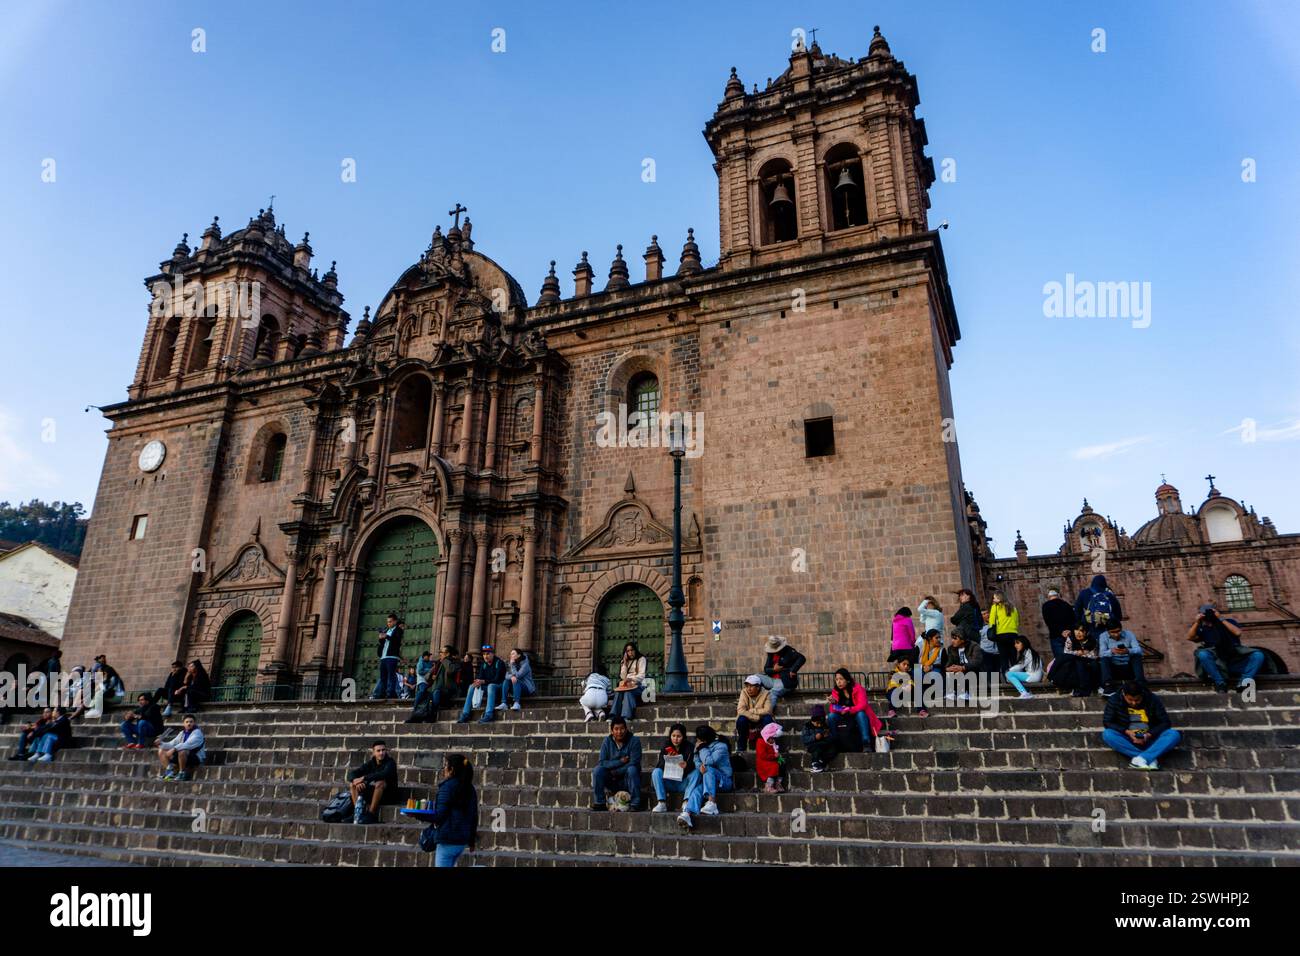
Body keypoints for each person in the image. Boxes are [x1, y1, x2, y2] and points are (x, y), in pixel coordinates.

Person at [1101, 681, 1182, 771]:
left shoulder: (1152, 699)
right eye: (1130, 700)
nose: (1134, 703)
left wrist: (1149, 734)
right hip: (1128, 739)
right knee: (1108, 734)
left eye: (1137, 700)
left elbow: (1165, 722)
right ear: (1124, 694)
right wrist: (1127, 732)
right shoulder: (1114, 700)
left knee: (1173, 734)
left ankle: (1141, 759)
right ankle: (1149, 758)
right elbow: (1107, 722)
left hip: (1151, 739)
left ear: (1142, 694)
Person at [1187, 602, 1264, 693]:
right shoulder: (1201, 627)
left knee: (1258, 655)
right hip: (1217, 663)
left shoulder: (1228, 622)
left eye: (1210, 612)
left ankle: (1244, 682)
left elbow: (1237, 632)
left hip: (1234, 658)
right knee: (1203, 654)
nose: (1208, 615)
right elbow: (1190, 637)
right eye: (1205, 613)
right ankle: (1220, 683)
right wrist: (1197, 622)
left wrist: (1220, 618)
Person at [428, 754, 477, 867]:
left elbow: (439, 816)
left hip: (447, 840)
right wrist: (471, 840)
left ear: (452, 769)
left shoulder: (447, 787)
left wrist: (415, 814)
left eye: (446, 765)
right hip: (461, 841)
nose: (444, 768)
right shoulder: (470, 788)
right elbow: (474, 816)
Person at [679, 725, 733, 829]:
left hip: (724, 781)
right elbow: (696, 760)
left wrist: (702, 748)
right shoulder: (699, 745)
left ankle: (712, 803)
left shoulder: (721, 746)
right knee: (696, 791)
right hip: (708, 781)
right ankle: (687, 814)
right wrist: (700, 768)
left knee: (708, 768)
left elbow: (709, 762)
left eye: (700, 740)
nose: (697, 742)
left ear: (705, 739)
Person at [591, 715, 642, 811]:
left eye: (622, 728)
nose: (619, 732)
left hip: (628, 780)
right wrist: (620, 761)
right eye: (616, 729)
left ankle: (635, 803)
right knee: (598, 770)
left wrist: (615, 772)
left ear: (626, 729)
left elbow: (633, 762)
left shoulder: (634, 741)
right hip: (612, 780)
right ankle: (600, 802)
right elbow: (602, 762)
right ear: (612, 731)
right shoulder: (607, 741)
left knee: (632, 769)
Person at [826, 668, 881, 752]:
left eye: (841, 679)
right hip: (844, 716)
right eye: (836, 679)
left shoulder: (858, 688)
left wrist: (849, 709)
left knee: (861, 714)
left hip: (856, 716)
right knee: (831, 716)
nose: (838, 682)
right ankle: (835, 742)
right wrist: (834, 703)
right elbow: (832, 710)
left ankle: (866, 743)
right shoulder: (835, 691)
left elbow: (863, 705)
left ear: (847, 680)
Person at [348, 740, 398, 824]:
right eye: (378, 751)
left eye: (383, 750)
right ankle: (358, 813)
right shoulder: (371, 763)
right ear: (374, 752)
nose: (381, 753)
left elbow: (383, 774)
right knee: (352, 784)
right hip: (375, 794)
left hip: (389, 796)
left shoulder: (390, 763)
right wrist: (355, 781)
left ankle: (371, 814)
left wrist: (363, 778)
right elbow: (352, 774)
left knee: (380, 782)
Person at [406, 645, 458, 723]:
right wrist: (431, 676)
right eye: (440, 652)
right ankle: (416, 716)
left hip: (446, 690)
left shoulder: (453, 662)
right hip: (434, 688)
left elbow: (451, 670)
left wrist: (444, 660)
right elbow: (427, 677)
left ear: (447, 654)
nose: (440, 653)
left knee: (434, 694)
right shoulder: (437, 663)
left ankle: (431, 716)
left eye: (442, 652)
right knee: (423, 695)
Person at [456, 644, 507, 724]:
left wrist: (483, 681)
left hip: (499, 687)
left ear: (493, 654)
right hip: (487, 687)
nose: (485, 656)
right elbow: (480, 677)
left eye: (488, 654)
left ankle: (489, 714)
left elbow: (497, 680)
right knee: (472, 686)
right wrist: (477, 681)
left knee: (491, 686)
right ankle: (465, 714)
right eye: (483, 654)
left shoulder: (499, 663)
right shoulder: (484, 664)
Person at [650, 723, 695, 812]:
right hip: (669, 782)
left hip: (683, 783)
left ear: (684, 737)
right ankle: (662, 802)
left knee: (696, 773)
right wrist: (668, 760)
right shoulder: (666, 746)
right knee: (656, 772)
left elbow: (694, 765)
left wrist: (687, 765)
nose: (676, 739)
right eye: (673, 736)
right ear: (670, 736)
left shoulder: (689, 747)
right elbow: (659, 765)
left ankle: (686, 802)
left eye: (679, 736)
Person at [1048, 625, 1100, 697]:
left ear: (1087, 632)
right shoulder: (1070, 639)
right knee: (1064, 659)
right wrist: (1078, 653)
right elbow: (1066, 653)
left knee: (1079, 663)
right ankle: (1054, 677)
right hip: (1073, 661)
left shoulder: (1093, 641)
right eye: (1076, 630)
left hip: (1088, 662)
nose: (1078, 633)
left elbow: (1094, 656)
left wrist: (1080, 655)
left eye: (1081, 631)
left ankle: (1082, 689)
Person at [760, 635, 806, 709]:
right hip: (772, 680)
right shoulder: (770, 654)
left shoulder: (789, 651)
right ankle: (744, 701)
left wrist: (793, 670)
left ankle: (767, 713)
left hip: (784, 681)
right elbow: (766, 669)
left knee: (772, 693)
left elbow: (802, 658)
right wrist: (774, 670)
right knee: (753, 678)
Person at [1099, 624, 1146, 691]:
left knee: (1136, 656)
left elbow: (1139, 650)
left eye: (1118, 631)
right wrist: (1111, 651)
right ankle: (1108, 686)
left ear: (1121, 629)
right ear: (1108, 631)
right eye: (1113, 632)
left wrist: (1128, 651)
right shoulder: (1103, 636)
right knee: (1104, 658)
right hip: (1113, 668)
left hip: (1128, 667)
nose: (1116, 634)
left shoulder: (1129, 634)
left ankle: (1141, 685)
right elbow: (1101, 654)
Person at [157, 714, 206, 780]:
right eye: (187, 722)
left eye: (191, 722)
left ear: (194, 723)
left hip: (196, 757)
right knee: (161, 750)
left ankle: (181, 773)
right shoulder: (182, 733)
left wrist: (174, 749)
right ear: (184, 724)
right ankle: (170, 772)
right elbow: (171, 744)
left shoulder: (198, 733)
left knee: (182, 750)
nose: (189, 724)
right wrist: (160, 743)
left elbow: (188, 744)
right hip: (182, 756)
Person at [734, 674, 774, 754]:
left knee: (768, 719)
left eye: (751, 686)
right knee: (741, 720)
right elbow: (741, 710)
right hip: (749, 718)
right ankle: (741, 747)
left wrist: (752, 711)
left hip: (761, 718)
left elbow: (768, 710)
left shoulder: (766, 693)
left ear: (758, 687)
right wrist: (755, 717)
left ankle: (768, 746)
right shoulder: (744, 692)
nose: (749, 689)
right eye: (747, 686)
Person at [371, 613, 404, 700]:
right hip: (384, 657)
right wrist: (381, 638)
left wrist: (387, 636)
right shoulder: (386, 630)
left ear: (395, 621)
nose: (388, 623)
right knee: (383, 677)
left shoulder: (398, 630)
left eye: (390, 622)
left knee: (391, 676)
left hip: (392, 657)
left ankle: (391, 694)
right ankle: (381, 693)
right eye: (387, 622)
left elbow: (396, 641)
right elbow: (383, 643)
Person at [943, 630, 984, 700]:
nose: (952, 641)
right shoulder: (951, 648)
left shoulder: (974, 646)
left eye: (955, 639)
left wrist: (963, 667)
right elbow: (949, 662)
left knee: (964, 673)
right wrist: (948, 668)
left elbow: (976, 662)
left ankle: (965, 692)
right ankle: (952, 692)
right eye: (952, 638)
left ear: (963, 640)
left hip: (974, 672)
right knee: (949, 673)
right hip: (959, 672)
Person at [987, 590, 1020, 676]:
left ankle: (1007, 678)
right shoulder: (1013, 607)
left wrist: (992, 630)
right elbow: (1017, 622)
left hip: (1001, 635)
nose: (993, 600)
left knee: (1004, 658)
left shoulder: (995, 607)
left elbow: (991, 622)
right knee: (1013, 657)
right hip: (1013, 634)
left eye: (995, 598)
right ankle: (1016, 676)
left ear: (999, 597)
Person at [612, 642, 647, 721]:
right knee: (618, 692)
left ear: (635, 650)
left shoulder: (641, 659)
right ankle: (613, 715)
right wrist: (624, 663)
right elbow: (623, 677)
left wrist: (631, 679)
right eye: (628, 651)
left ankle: (626, 716)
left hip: (638, 685)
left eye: (632, 650)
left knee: (628, 692)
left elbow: (641, 676)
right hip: (626, 685)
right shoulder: (625, 661)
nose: (630, 653)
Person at [1041, 588, 1075, 663]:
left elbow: (1049, 622)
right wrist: (1068, 631)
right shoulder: (1067, 605)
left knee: (1060, 661)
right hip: (1069, 635)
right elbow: (1073, 620)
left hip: (1055, 636)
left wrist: (1061, 632)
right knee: (1071, 658)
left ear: (1049, 596)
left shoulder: (1046, 606)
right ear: (1058, 595)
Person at [801, 705, 837, 772]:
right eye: (817, 723)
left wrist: (827, 736)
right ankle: (815, 764)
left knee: (834, 748)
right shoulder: (807, 726)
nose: (819, 725)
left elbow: (831, 738)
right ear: (813, 720)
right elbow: (804, 739)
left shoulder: (824, 725)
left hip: (823, 744)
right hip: (812, 745)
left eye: (821, 723)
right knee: (817, 748)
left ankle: (821, 761)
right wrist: (814, 737)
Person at [500, 648, 536, 712]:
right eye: (510, 654)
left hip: (526, 688)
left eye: (513, 653)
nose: (511, 655)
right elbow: (506, 676)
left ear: (519, 655)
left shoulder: (525, 665)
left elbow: (518, 675)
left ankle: (517, 703)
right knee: (506, 681)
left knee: (516, 680)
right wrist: (512, 676)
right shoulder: (510, 664)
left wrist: (512, 666)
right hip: (516, 688)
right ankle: (504, 703)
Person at [755, 722, 786, 793]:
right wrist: (773, 756)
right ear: (767, 736)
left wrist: (777, 756)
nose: (773, 740)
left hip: (771, 759)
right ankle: (768, 785)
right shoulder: (760, 742)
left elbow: (774, 751)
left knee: (782, 763)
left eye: (774, 739)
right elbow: (762, 755)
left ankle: (778, 783)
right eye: (772, 738)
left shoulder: (771, 742)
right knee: (774, 766)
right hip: (763, 761)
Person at [977, 610, 1000, 674]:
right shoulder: (980, 628)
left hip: (997, 651)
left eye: (987, 613)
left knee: (996, 672)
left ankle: (997, 683)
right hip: (986, 652)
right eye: (984, 614)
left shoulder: (996, 624)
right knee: (989, 671)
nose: (987, 615)